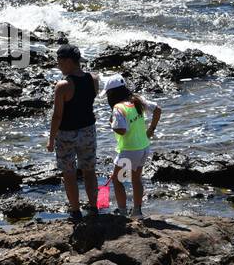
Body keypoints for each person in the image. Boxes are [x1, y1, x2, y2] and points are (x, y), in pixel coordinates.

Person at [48, 44, 101, 221]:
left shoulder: (63, 85)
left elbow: (57, 116)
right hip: (88, 130)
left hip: (66, 134)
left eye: (59, 61)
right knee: (89, 171)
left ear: (68, 61)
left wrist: (50, 139)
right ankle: (94, 208)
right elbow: (89, 102)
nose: (58, 65)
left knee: (69, 174)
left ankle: (76, 210)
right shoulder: (93, 79)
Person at [104, 75, 161, 219]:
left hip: (129, 151)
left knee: (118, 180)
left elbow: (122, 130)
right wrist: (151, 129)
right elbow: (158, 109)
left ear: (112, 94)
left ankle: (122, 212)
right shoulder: (137, 100)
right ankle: (137, 212)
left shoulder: (118, 108)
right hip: (143, 148)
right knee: (136, 179)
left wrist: (111, 124)